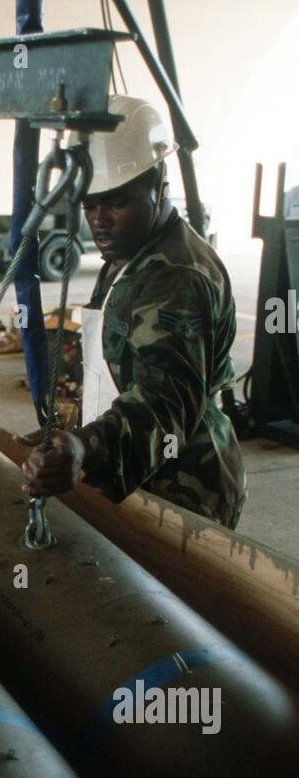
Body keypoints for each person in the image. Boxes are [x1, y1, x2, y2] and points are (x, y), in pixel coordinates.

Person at [23, 96, 246, 529]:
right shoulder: (132, 253)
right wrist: (71, 431)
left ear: (158, 184)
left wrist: (86, 446)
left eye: (116, 202)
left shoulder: (177, 279)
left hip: (183, 491)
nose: (99, 220)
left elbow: (164, 404)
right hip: (137, 471)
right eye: (89, 204)